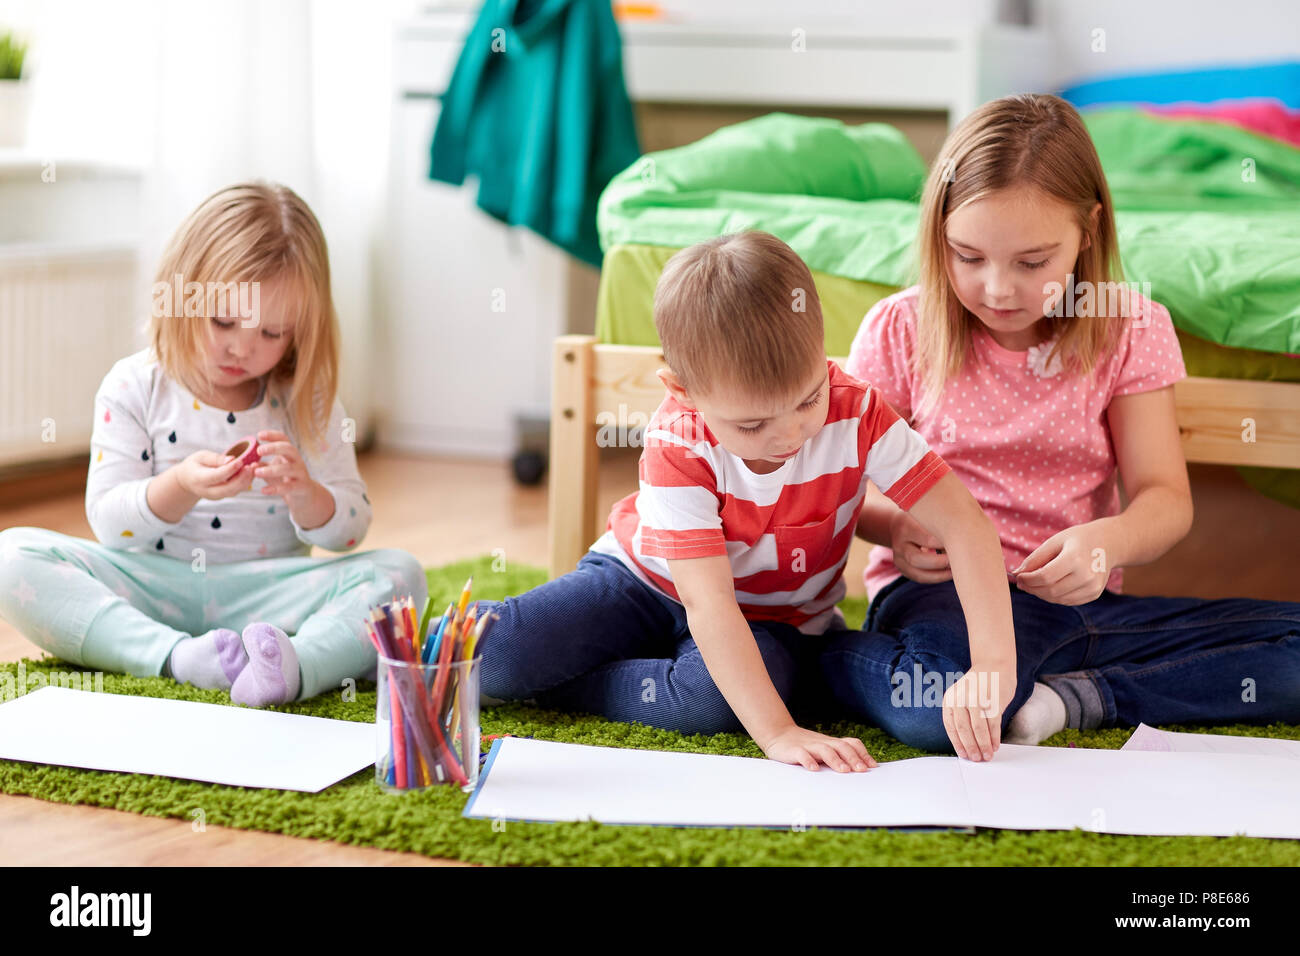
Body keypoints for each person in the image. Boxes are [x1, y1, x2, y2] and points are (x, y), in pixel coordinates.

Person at [837, 93, 1300, 749]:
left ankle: (1077, 696)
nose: (998, 289)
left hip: (1081, 610)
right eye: (967, 256)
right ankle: (821, 661)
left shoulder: (1131, 328)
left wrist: (1106, 542)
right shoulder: (900, 328)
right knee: (937, 705)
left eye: (1032, 263)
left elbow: (1164, 499)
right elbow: (839, 487)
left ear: (1088, 230)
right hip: (946, 605)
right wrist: (892, 524)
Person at [478, 230, 1018, 771]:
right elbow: (706, 603)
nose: (790, 435)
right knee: (494, 656)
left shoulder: (859, 411)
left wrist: (993, 663)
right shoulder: (678, 440)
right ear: (683, 392)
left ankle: (566, 682)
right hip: (642, 581)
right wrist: (779, 734)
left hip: (771, 621)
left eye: (809, 399)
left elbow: (964, 525)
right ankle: (404, 651)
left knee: (718, 699)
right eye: (753, 423)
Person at [0, 182, 426, 707]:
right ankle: (178, 656)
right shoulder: (134, 385)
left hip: (273, 597)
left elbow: (349, 532)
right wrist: (179, 485)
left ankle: (296, 666)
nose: (243, 347)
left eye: (273, 333)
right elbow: (110, 525)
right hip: (156, 591)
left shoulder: (306, 401)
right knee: (11, 558)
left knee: (401, 576)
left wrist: (305, 493)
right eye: (224, 320)